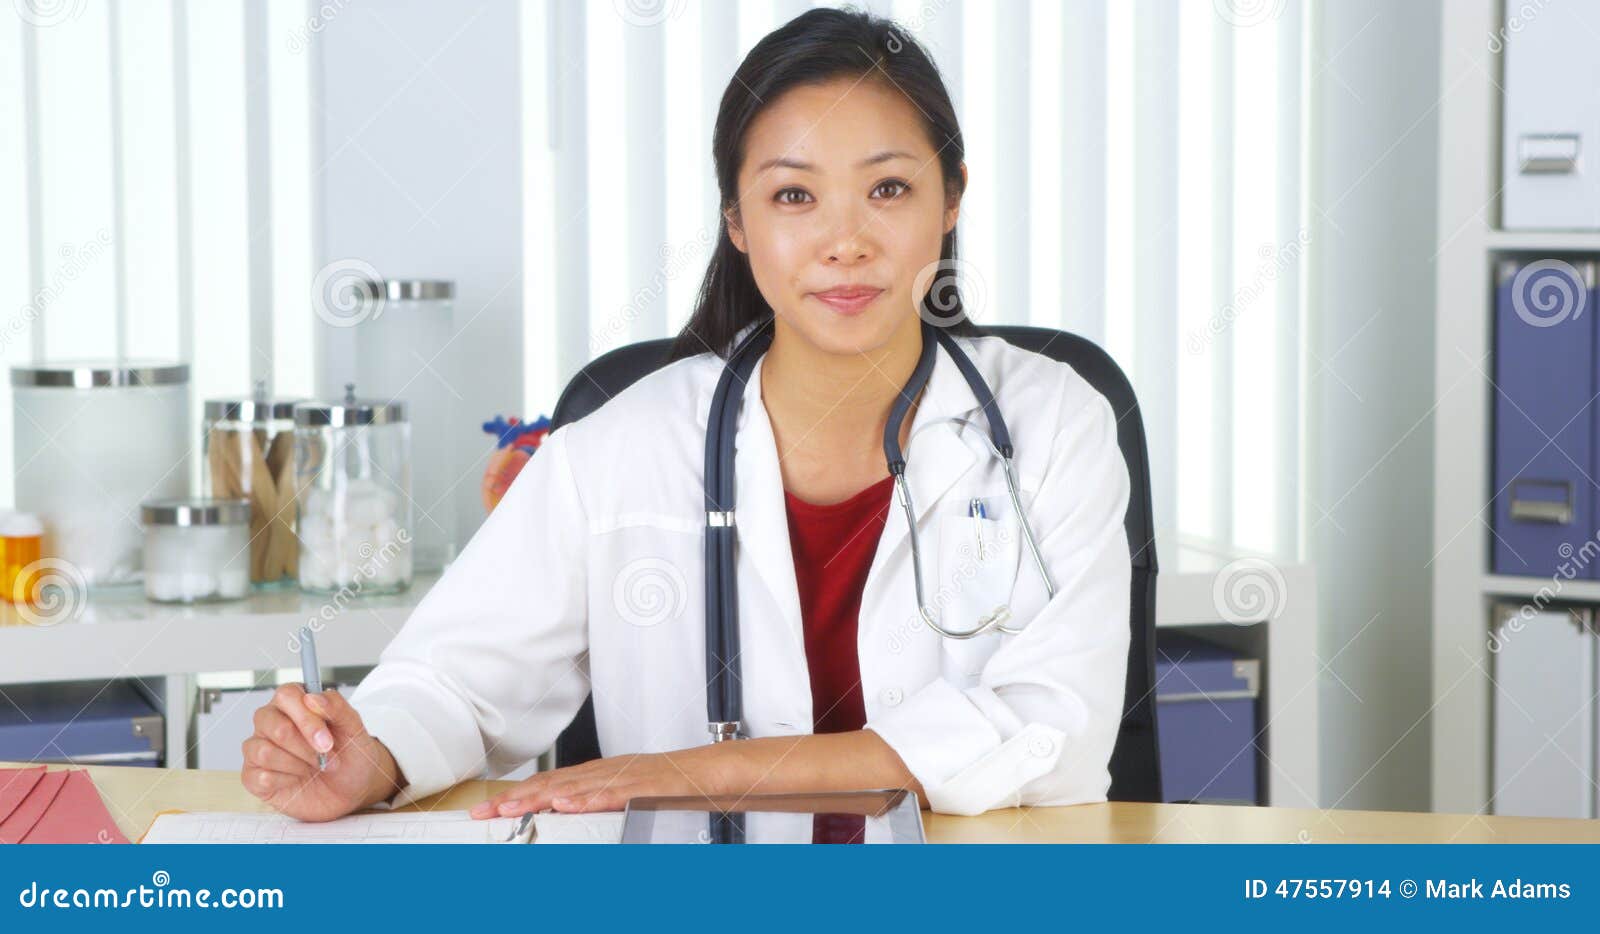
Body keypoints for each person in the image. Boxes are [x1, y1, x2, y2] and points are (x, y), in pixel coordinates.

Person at [241, 7, 1131, 824]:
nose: (846, 241)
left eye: (889, 189)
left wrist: (700, 772)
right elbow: (452, 681)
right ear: (736, 221)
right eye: (793, 196)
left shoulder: (1054, 424)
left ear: (953, 196)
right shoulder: (619, 448)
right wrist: (368, 755)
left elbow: (1054, 730)